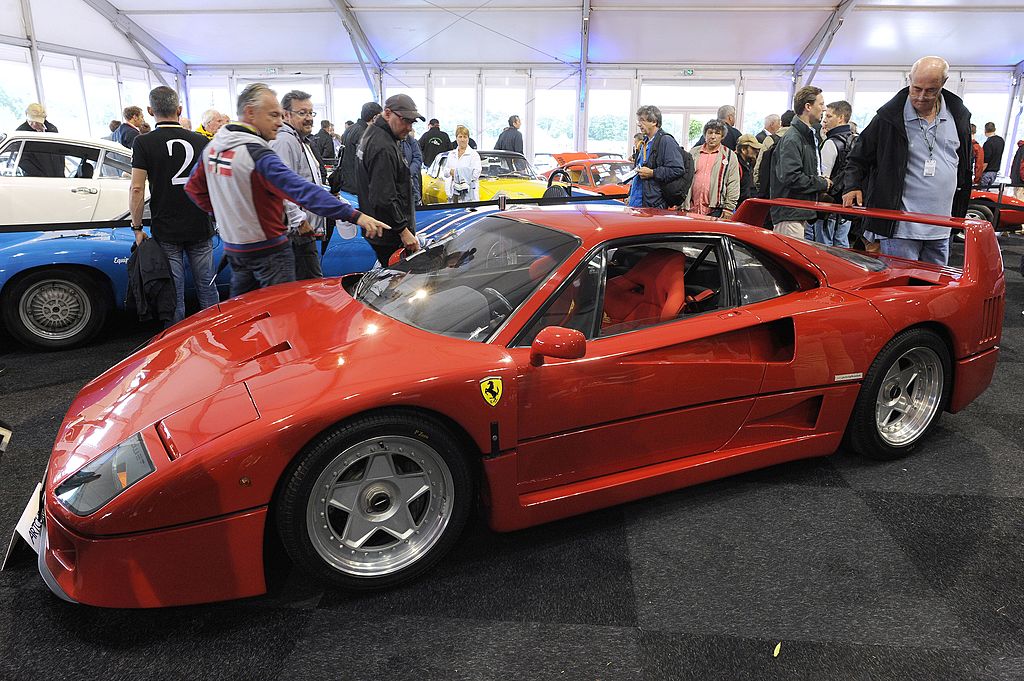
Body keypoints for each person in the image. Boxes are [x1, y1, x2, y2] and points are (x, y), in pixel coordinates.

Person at [185, 83, 388, 296]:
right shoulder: (258, 155)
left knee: (247, 316)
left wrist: (228, 218)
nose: (279, 122)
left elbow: (194, 189)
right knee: (283, 314)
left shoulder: (214, 148)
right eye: (273, 115)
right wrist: (354, 215)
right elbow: (303, 191)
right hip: (269, 254)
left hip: (237, 251)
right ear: (250, 113)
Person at [843, 56, 973, 266]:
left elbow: (964, 165)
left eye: (931, 90)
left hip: (942, 226)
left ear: (943, 83)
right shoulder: (888, 117)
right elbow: (858, 156)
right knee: (899, 287)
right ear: (909, 79)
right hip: (900, 227)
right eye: (916, 88)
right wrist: (852, 185)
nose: (921, 96)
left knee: (935, 289)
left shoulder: (958, 116)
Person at [129, 86, 218, 326]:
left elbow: (136, 188)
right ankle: (217, 336)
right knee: (207, 287)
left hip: (166, 226)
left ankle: (177, 348)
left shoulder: (143, 142)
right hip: (199, 223)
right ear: (179, 109)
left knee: (174, 293)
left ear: (150, 111)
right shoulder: (201, 141)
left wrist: (137, 227)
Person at [356, 93, 423, 266]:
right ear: (387, 113)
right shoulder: (383, 146)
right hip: (389, 232)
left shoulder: (371, 133)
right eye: (404, 120)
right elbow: (384, 197)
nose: (409, 127)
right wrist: (403, 231)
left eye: (412, 122)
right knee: (399, 285)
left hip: (379, 227)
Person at [271, 89, 329, 280]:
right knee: (309, 288)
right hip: (295, 234)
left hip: (302, 232)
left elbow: (304, 180)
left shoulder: (299, 140)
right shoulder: (285, 141)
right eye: (302, 113)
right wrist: (300, 221)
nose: (309, 118)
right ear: (286, 114)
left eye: (310, 113)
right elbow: (280, 186)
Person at [770, 86, 830, 239]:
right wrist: (822, 184)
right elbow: (791, 176)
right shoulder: (793, 138)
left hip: (800, 212)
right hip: (790, 214)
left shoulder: (806, 137)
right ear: (808, 106)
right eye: (821, 104)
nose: (824, 109)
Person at [815, 100, 855, 247]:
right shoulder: (855, 140)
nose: (825, 120)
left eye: (829, 116)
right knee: (842, 245)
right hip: (848, 203)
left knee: (823, 247)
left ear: (841, 118)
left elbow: (823, 177)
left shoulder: (831, 143)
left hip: (829, 203)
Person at [629, 105, 686, 209]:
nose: (639, 124)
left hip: (654, 204)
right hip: (637, 202)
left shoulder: (666, 140)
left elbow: (677, 169)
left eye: (642, 120)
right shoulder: (644, 142)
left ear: (654, 121)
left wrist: (652, 173)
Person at [683, 119, 740, 218]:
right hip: (691, 208)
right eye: (710, 133)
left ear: (722, 136)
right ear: (705, 135)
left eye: (717, 133)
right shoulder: (693, 152)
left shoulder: (729, 155)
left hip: (716, 209)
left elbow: (733, 183)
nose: (713, 136)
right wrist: (682, 203)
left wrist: (729, 208)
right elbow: (684, 178)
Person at [337, 101, 382, 194]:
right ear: (375, 117)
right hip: (358, 186)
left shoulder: (349, 129)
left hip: (345, 183)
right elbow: (365, 163)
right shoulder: (366, 134)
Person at [754, 110, 793, 188]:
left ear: (782, 123)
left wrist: (759, 187)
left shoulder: (770, 140)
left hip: (770, 188)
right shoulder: (800, 140)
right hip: (792, 190)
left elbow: (758, 166)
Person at [444, 125, 482, 204]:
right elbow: (445, 172)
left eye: (465, 137)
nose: (462, 140)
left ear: (468, 139)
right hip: (453, 193)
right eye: (460, 137)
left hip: (469, 194)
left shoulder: (474, 155)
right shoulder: (451, 154)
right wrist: (463, 172)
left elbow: (475, 174)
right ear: (456, 138)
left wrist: (456, 173)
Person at [735, 133, 762, 208]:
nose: (757, 151)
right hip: (738, 207)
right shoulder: (735, 164)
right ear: (743, 149)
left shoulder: (748, 163)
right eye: (753, 148)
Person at [402, 131, 423, 206]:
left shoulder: (411, 140)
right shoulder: (388, 141)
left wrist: (409, 173)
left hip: (412, 186)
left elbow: (418, 158)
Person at [981, 122, 1005, 187]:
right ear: (995, 129)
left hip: (987, 173)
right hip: (995, 172)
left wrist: (979, 174)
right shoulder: (1001, 141)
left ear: (985, 130)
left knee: (982, 194)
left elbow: (986, 161)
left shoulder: (988, 143)